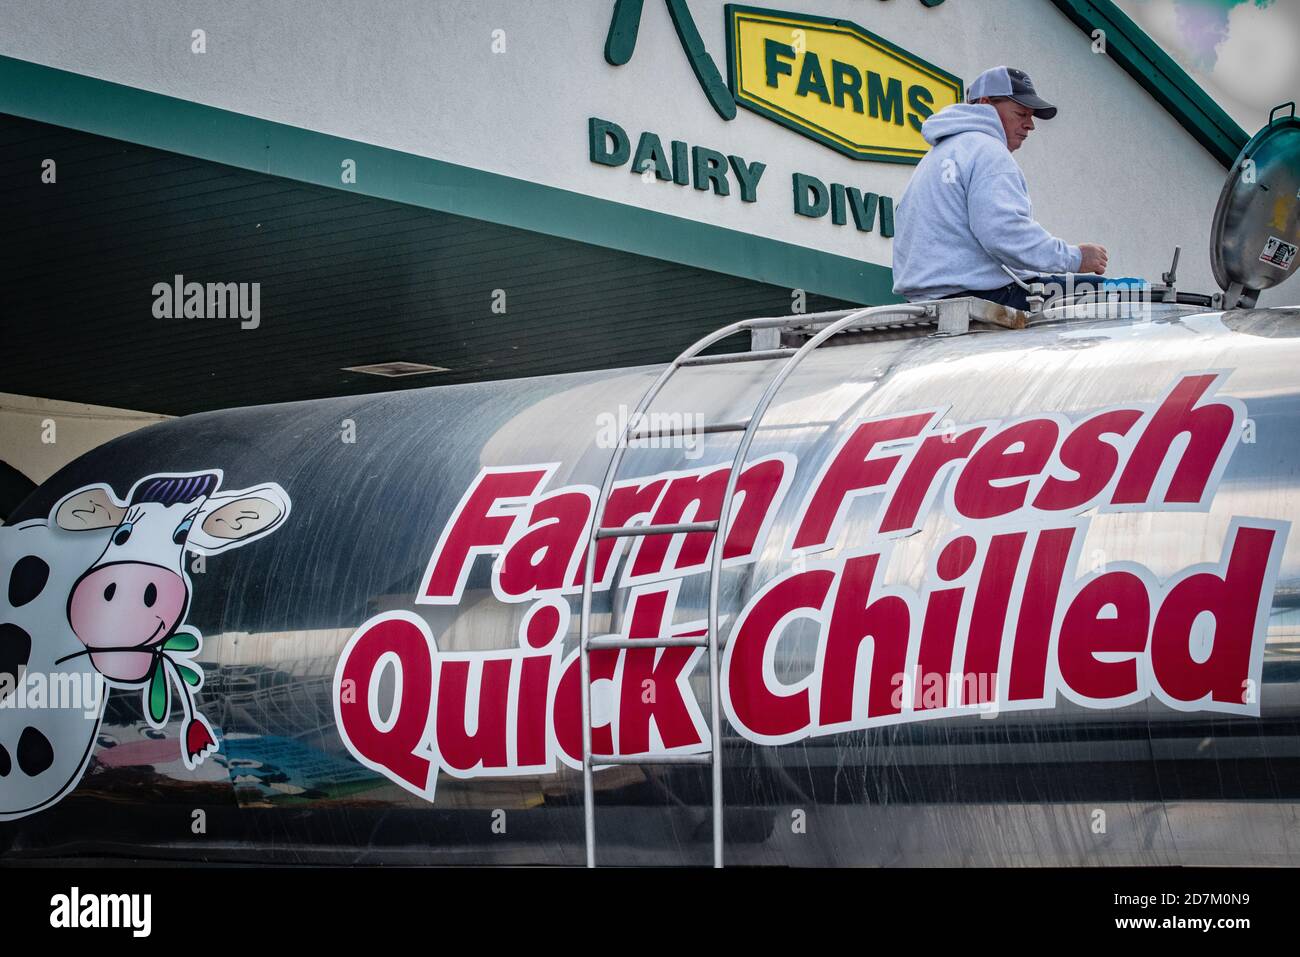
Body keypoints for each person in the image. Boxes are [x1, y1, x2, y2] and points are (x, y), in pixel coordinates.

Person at [892, 66, 1109, 311]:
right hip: (980, 296)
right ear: (985, 104)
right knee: (1118, 293)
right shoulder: (988, 151)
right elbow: (1004, 232)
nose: (1030, 125)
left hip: (927, 301)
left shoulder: (935, 157)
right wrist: (1075, 258)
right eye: (1021, 113)